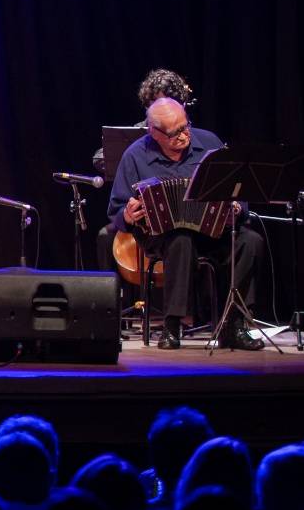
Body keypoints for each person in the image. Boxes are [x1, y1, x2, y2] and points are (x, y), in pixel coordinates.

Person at [107, 98, 264, 350]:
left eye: (185, 126)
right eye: (174, 132)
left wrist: (237, 207)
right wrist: (127, 214)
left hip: (212, 230)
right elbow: (115, 212)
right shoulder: (135, 156)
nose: (184, 135)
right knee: (181, 238)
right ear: (154, 132)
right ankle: (172, 326)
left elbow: (238, 190)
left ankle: (233, 325)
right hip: (161, 235)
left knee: (250, 240)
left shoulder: (210, 144)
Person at [91, 69, 196, 274]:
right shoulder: (139, 135)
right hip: (141, 219)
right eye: (151, 104)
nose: (158, 110)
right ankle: (113, 301)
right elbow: (99, 158)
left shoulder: (186, 135)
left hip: (181, 225)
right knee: (105, 236)